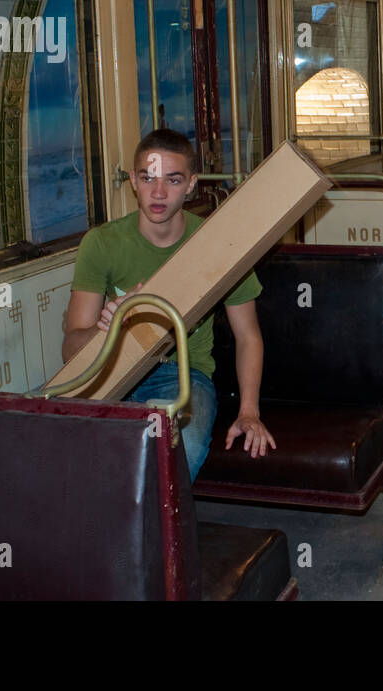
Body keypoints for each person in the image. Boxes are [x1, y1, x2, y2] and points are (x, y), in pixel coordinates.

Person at [61, 128, 274, 481]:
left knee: (179, 446)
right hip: (110, 370)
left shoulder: (218, 245)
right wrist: (110, 330)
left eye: (173, 180)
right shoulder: (101, 243)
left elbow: (248, 336)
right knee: (37, 427)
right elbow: (71, 351)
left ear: (191, 184)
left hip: (181, 374)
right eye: (148, 178)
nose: (158, 193)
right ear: (132, 180)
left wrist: (249, 411)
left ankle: (152, 535)